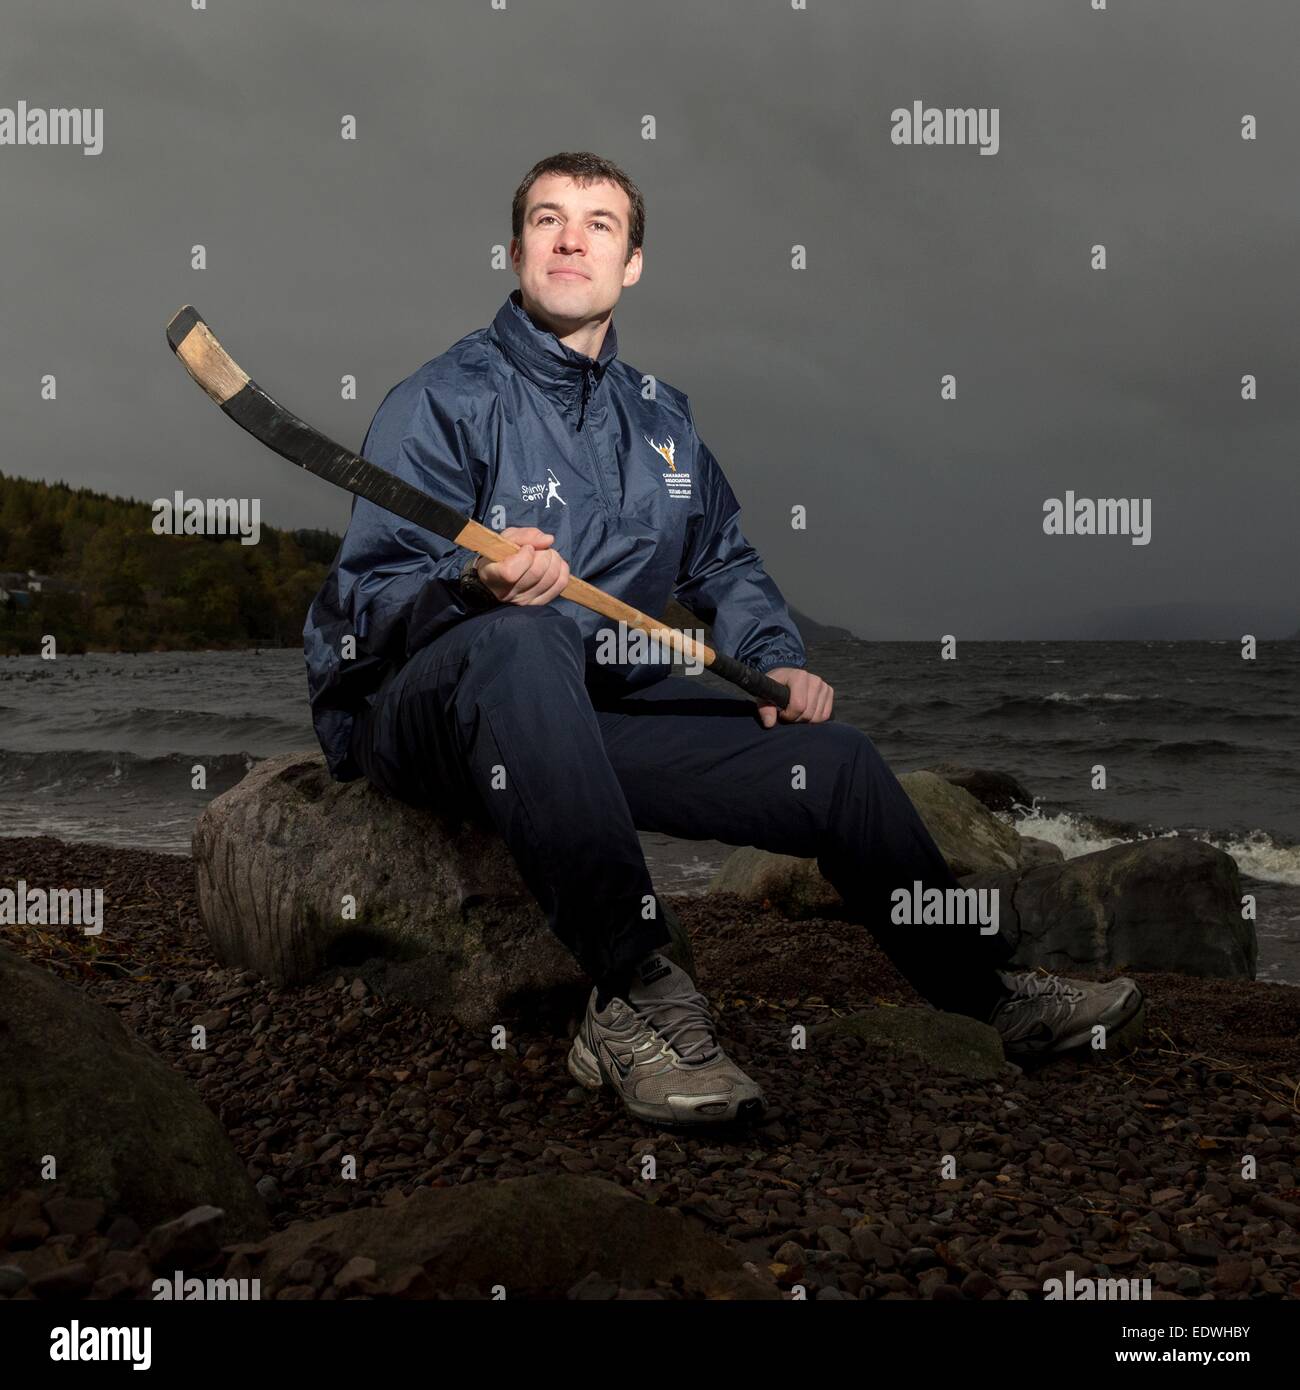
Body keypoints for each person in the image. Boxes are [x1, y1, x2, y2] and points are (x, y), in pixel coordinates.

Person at [303, 151, 1144, 1128]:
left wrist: (771, 655)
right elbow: (366, 603)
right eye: (548, 219)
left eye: (600, 224)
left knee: (830, 762)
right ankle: (630, 994)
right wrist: (470, 580)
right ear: (515, 249)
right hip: (431, 710)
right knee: (522, 642)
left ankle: (986, 989)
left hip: (584, 711)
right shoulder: (440, 398)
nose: (572, 237)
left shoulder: (662, 422)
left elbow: (725, 565)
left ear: (633, 266)